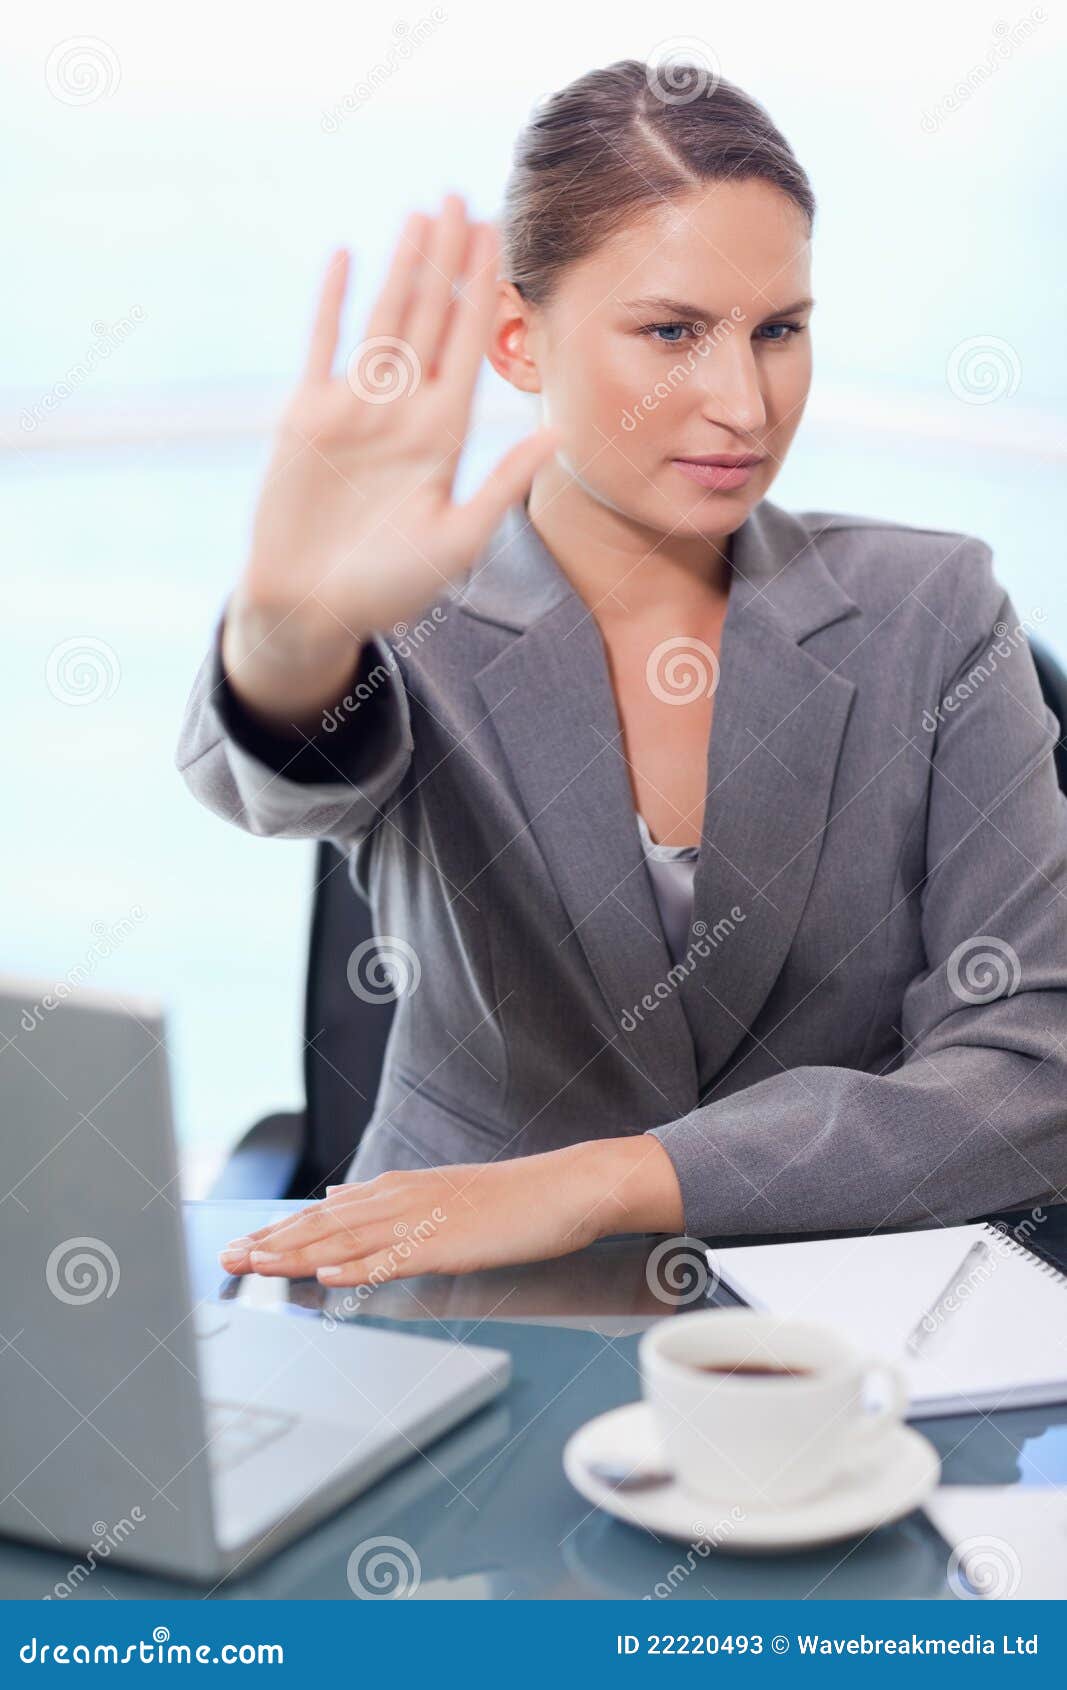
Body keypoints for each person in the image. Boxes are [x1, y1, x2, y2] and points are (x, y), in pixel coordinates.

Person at [175, 61, 1067, 1289]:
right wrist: (284, 627)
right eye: (670, 332)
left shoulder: (934, 612)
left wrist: (605, 1179)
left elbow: (1030, 1073)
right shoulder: (407, 614)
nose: (742, 402)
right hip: (463, 1327)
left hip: (836, 1327)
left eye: (777, 331)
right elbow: (281, 768)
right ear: (515, 338)